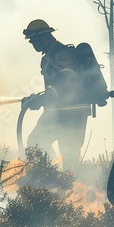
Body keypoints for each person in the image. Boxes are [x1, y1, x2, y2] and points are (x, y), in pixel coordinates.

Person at [22, 19, 90, 169]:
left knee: (70, 153)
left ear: (43, 36)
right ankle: (51, 174)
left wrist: (46, 97)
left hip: (74, 111)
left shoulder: (62, 54)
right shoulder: (48, 56)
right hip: (57, 111)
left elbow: (68, 79)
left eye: (33, 40)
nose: (32, 44)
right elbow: (54, 85)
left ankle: (74, 185)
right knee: (35, 142)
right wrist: (37, 98)